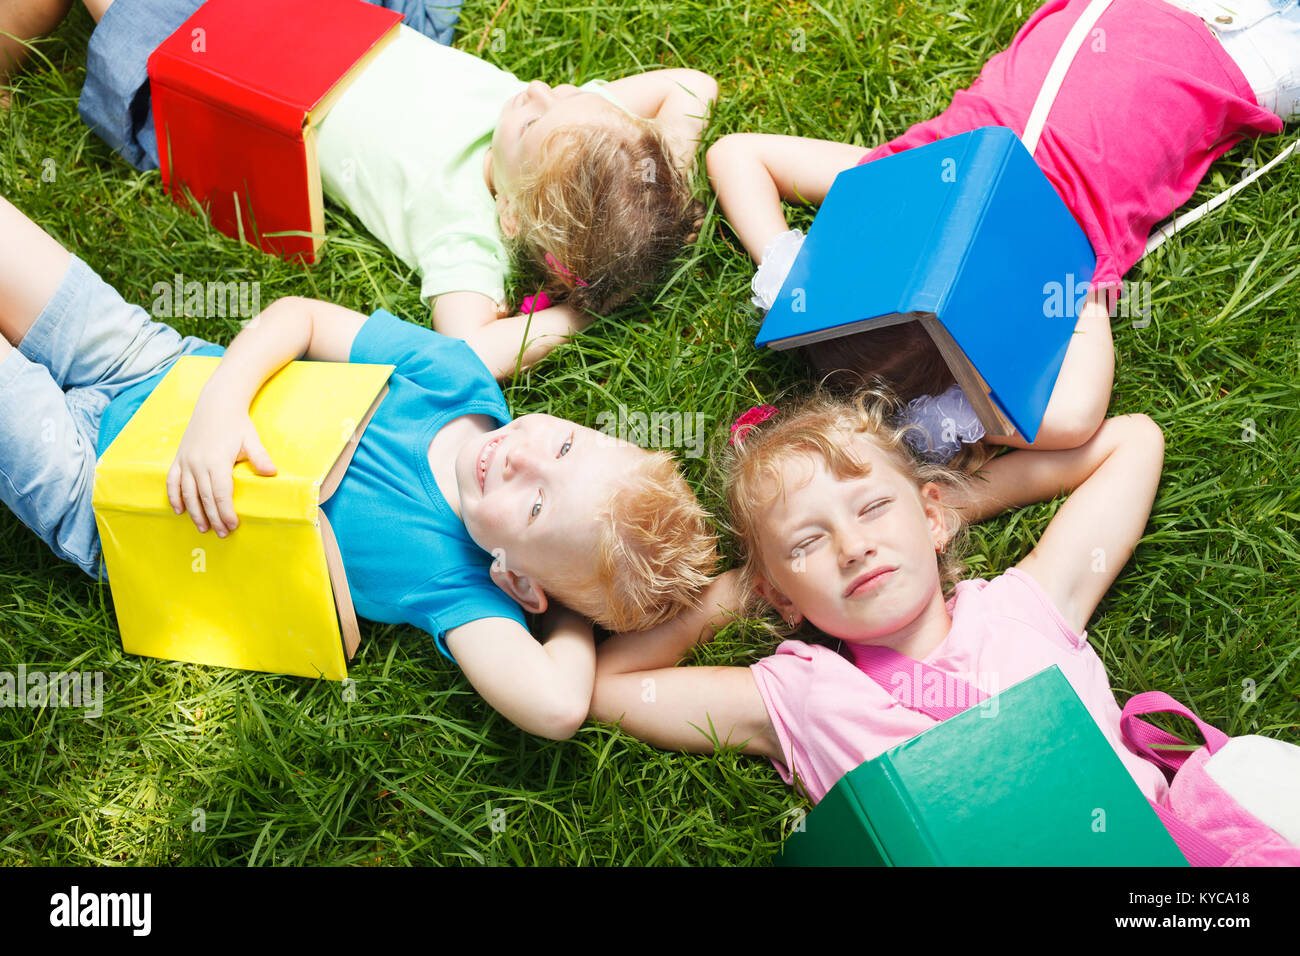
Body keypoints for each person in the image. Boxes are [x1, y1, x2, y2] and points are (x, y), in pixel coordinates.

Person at [0, 193, 718, 739]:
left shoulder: (459, 586)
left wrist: (563, 611)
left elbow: (558, 707)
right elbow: (301, 318)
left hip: (103, 493)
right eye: (565, 446)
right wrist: (221, 405)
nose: (524, 457)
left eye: (536, 506)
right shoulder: (455, 379)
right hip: (157, 363)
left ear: (518, 579)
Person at [705, 0, 1294, 459]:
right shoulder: (1067, 259)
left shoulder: (910, 172)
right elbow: (1074, 417)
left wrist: (783, 265)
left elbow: (735, 154)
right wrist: (944, 422)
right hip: (1247, 63)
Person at [4, 0, 717, 360]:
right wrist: (664, 187)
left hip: (249, 78)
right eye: (562, 89)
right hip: (337, 25)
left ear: (513, 222)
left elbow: (468, 353)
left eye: (535, 124)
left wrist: (577, 314)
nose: (533, 89)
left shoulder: (466, 230)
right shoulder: (581, 139)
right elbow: (691, 83)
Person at [590, 386, 1169, 804]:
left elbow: (1133, 443)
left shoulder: (1022, 609)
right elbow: (609, 684)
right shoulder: (806, 697)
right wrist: (755, 586)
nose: (853, 546)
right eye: (808, 541)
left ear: (934, 516)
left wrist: (935, 512)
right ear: (779, 597)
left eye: (873, 508)